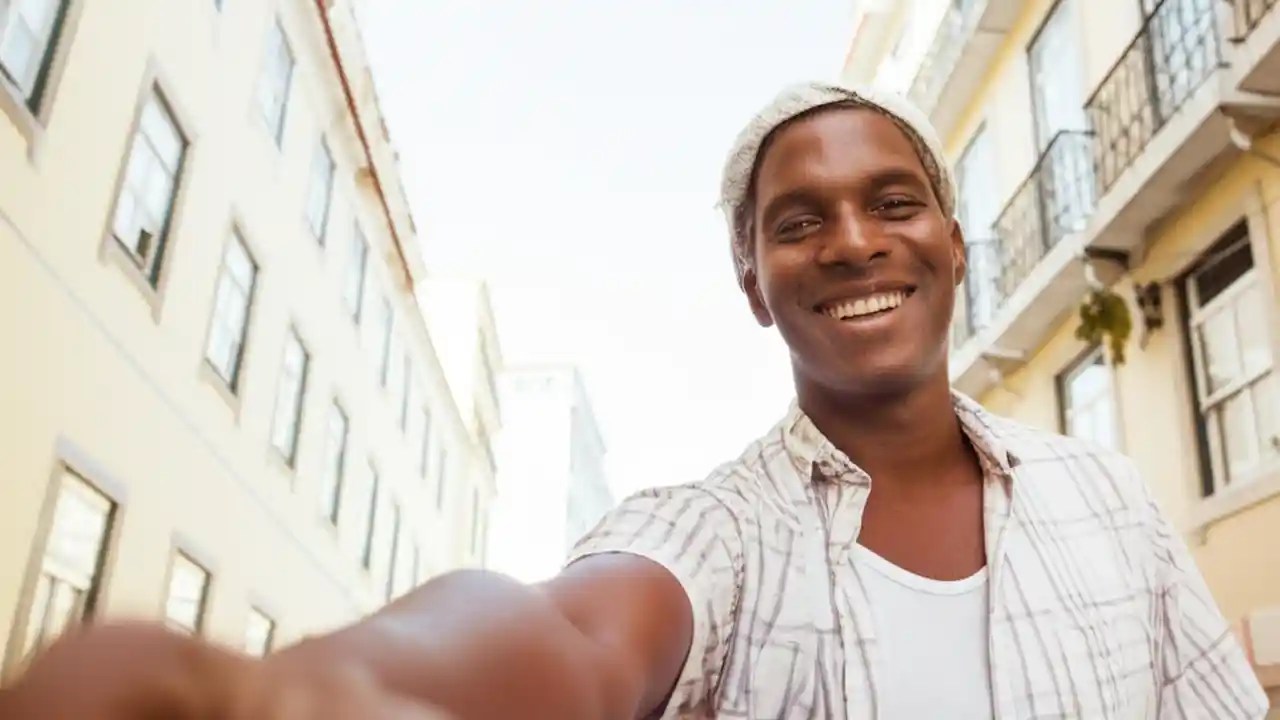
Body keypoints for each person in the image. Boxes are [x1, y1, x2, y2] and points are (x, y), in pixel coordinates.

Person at [0, 81, 1269, 720]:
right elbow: (571, 638)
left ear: (948, 241)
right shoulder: (713, 534)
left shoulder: (1102, 499)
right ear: (752, 283)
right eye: (796, 221)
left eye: (890, 204)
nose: (851, 241)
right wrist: (307, 692)